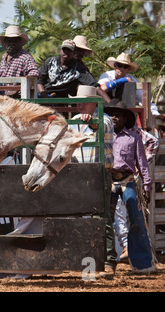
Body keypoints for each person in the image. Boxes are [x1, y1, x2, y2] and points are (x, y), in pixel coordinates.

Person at [103, 99, 157, 276]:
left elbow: (142, 163)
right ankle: (107, 262)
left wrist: (147, 186)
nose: (115, 117)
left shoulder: (133, 137)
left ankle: (143, 265)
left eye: (118, 114)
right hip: (108, 181)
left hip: (128, 180)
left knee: (136, 218)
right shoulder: (103, 136)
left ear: (125, 118)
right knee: (105, 220)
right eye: (111, 114)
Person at [67, 85, 116, 277]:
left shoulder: (104, 118)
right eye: (77, 102)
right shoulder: (73, 121)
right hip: (81, 174)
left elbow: (99, 125)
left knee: (101, 217)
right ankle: (89, 260)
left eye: (83, 102)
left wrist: (91, 122)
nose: (79, 105)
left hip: (98, 174)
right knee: (81, 217)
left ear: (93, 104)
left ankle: (109, 260)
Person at [37, 39, 110, 102]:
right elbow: (39, 81)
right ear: (60, 50)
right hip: (45, 95)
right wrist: (44, 96)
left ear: (73, 52)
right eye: (64, 50)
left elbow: (93, 85)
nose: (66, 52)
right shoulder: (50, 62)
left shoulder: (78, 68)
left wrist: (109, 102)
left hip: (62, 99)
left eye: (69, 50)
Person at [98, 53, 161, 118]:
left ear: (128, 69)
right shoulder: (107, 75)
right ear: (115, 65)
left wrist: (156, 114)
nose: (122, 68)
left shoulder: (131, 79)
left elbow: (143, 98)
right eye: (119, 65)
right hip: (104, 110)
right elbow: (102, 88)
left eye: (125, 66)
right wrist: (122, 80)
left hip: (123, 112)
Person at [0, 25, 39, 98]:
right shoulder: (4, 56)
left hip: (20, 96)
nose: (11, 43)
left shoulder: (25, 57)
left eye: (14, 41)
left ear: (20, 42)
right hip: (4, 95)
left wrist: (17, 89)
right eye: (9, 41)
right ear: (5, 43)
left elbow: (34, 73)